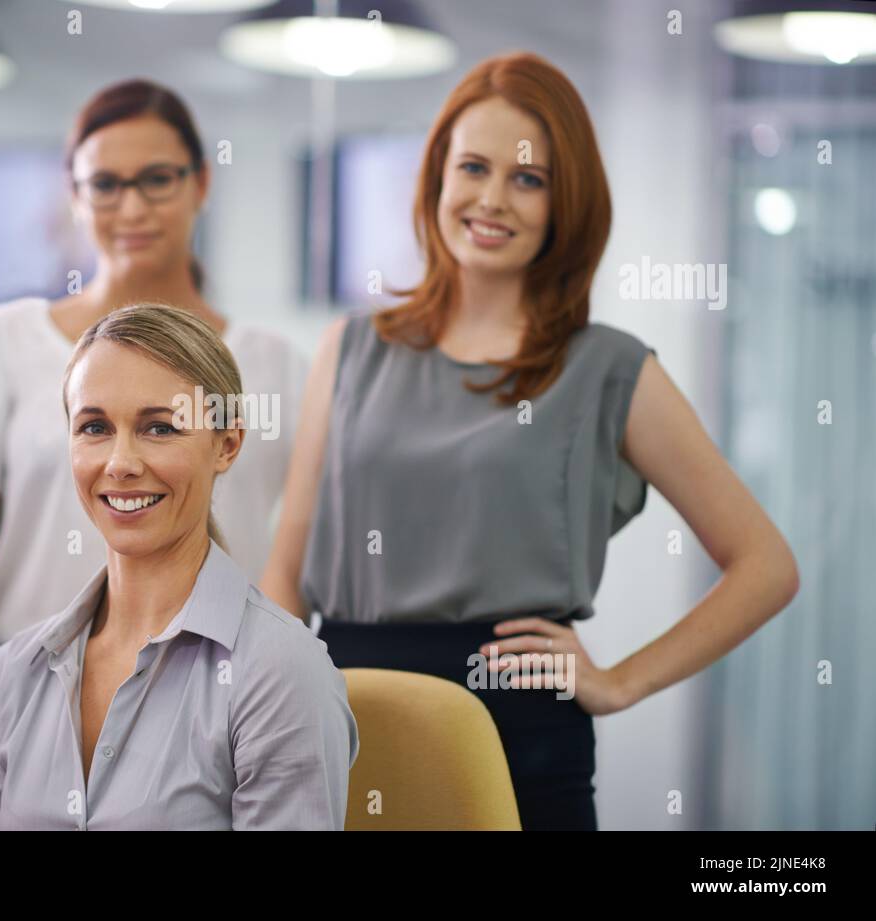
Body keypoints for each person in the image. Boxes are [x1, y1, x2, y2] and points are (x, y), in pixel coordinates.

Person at [260, 52, 799, 831]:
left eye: (528, 178)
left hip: (519, 735)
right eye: (473, 167)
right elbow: (286, 569)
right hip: (344, 720)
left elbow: (767, 565)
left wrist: (620, 681)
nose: (492, 198)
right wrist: (275, 711)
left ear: (563, 202)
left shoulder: (609, 367)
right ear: (437, 177)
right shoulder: (352, 348)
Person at [0, 80, 306, 667]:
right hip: (26, 675)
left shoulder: (275, 363)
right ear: (74, 194)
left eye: (157, 179)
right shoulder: (7, 340)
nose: (133, 208)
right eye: (107, 185)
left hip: (218, 680)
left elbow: (304, 556)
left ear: (201, 182)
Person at [0, 305, 356, 830]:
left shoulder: (279, 672)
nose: (120, 463)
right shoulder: (10, 676)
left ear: (226, 445)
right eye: (94, 426)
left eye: (160, 429)